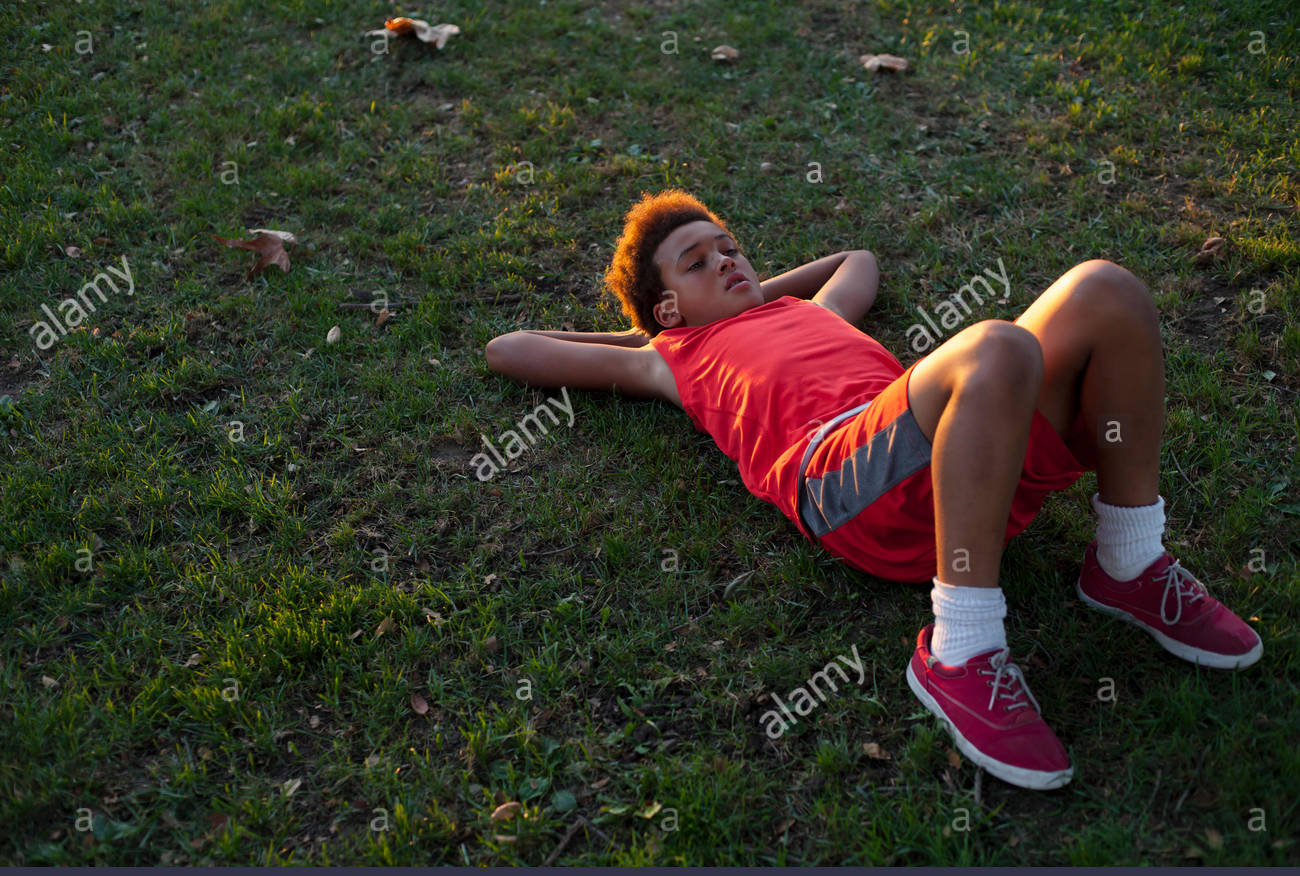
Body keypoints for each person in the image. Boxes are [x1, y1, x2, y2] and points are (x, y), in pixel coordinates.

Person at [484, 189, 1262, 790]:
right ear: (666, 309)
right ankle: (959, 650)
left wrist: (753, 290)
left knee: (1106, 289)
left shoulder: (805, 309)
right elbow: (510, 348)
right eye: (698, 262)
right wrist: (656, 332)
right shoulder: (668, 361)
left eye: (731, 248)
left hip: (956, 461)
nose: (728, 260)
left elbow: (856, 260)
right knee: (997, 347)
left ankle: (1127, 563)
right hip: (848, 484)